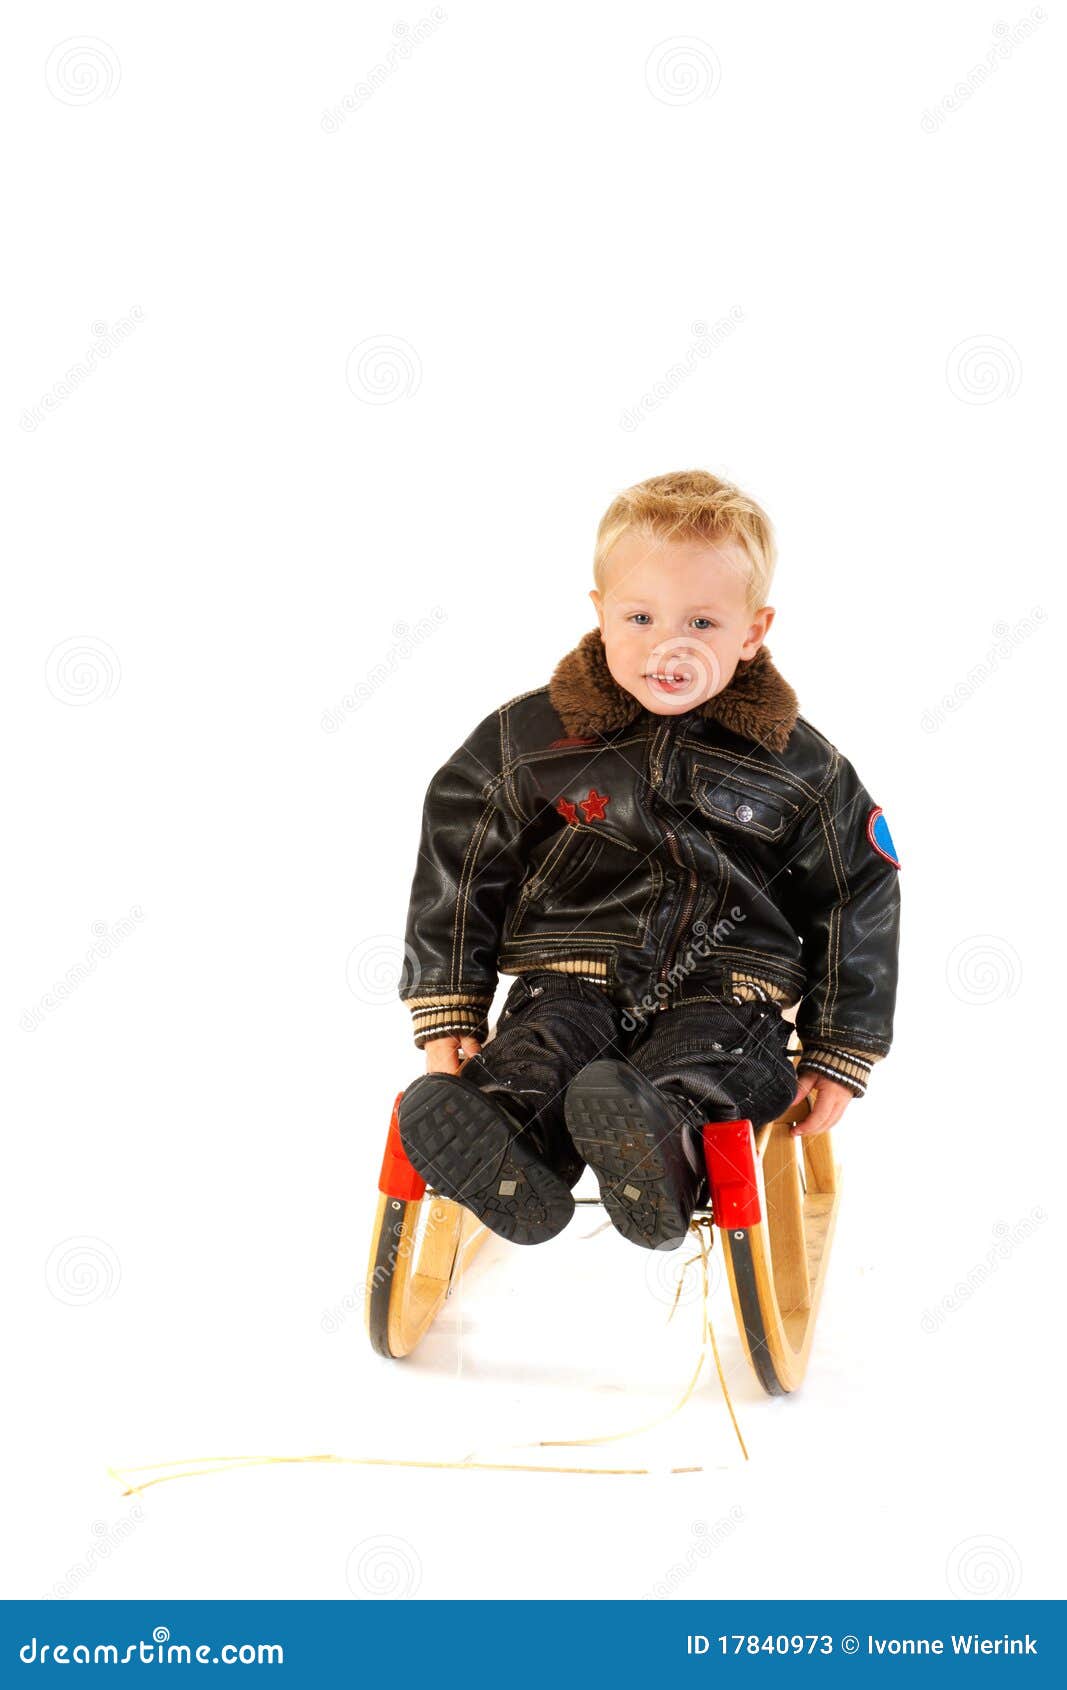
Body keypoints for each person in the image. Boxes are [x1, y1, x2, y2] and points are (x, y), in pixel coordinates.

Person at [394, 470, 901, 1250]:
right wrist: (449, 1002)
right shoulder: (533, 737)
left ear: (752, 632)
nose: (669, 645)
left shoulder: (799, 765)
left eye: (701, 621)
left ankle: (663, 1148)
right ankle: (506, 1137)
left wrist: (841, 1045)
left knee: (712, 1065)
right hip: (572, 974)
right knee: (542, 1052)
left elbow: (858, 892)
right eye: (640, 616)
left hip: (726, 988)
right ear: (599, 615)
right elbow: (462, 857)